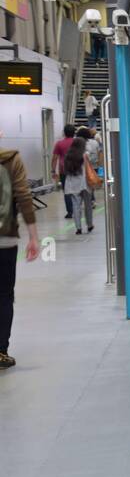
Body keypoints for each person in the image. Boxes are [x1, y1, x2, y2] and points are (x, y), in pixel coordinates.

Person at [0, 129, 39, 369]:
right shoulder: (11, 158)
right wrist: (33, 237)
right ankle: (1, 351)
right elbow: (23, 197)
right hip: (5, 239)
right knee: (4, 295)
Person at [62, 136, 94, 235]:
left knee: (76, 206)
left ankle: (78, 228)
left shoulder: (68, 156)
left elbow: (65, 170)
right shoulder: (85, 155)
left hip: (73, 184)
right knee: (88, 205)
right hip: (84, 183)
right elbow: (91, 158)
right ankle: (89, 225)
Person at [52, 124, 76, 218]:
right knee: (76, 190)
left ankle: (70, 212)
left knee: (67, 191)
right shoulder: (77, 142)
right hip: (76, 169)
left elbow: (54, 158)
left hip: (64, 170)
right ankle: (77, 208)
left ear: (64, 132)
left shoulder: (59, 143)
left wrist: (53, 171)